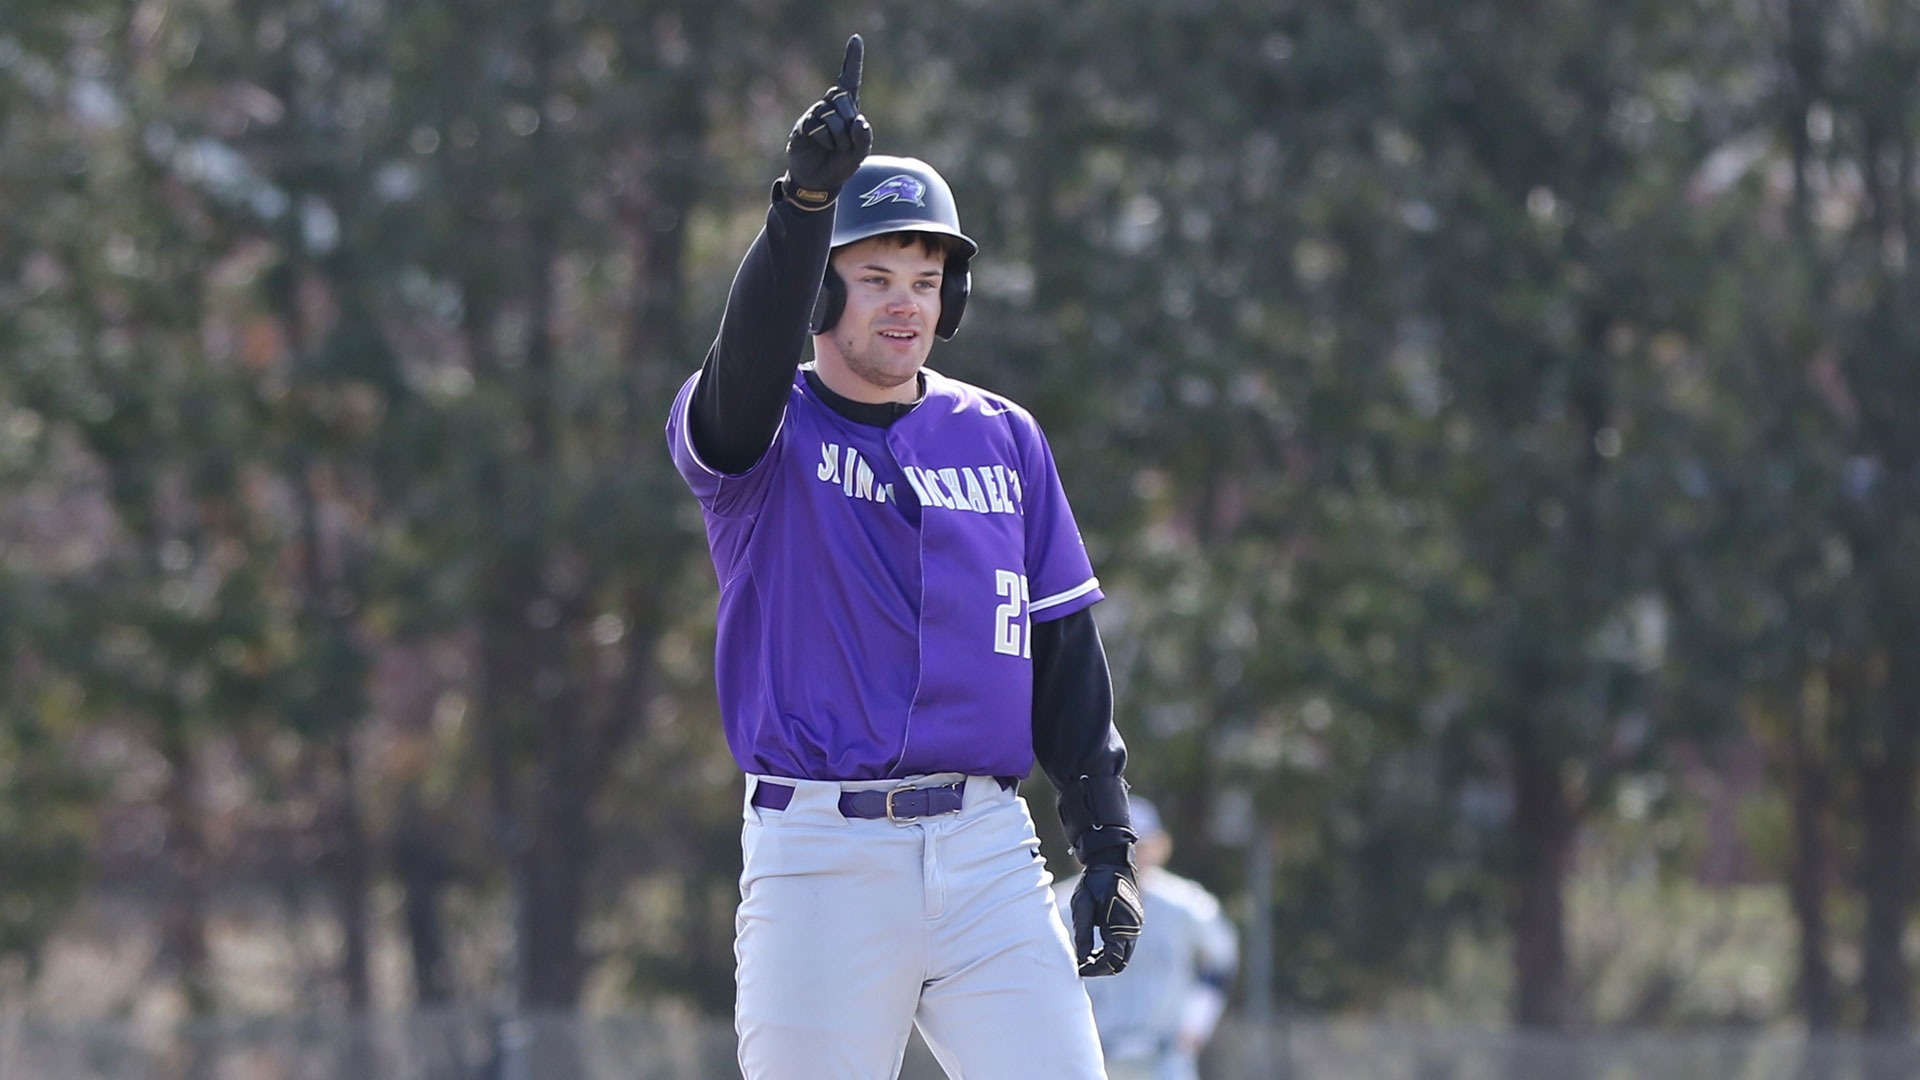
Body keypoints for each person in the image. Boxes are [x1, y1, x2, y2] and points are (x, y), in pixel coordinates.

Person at [664, 34, 1144, 1080]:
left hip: (988, 854)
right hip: (823, 858)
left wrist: (1105, 840)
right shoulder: (766, 434)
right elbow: (742, 364)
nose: (904, 303)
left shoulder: (1003, 436)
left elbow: (1063, 646)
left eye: (925, 281)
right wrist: (799, 215)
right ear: (821, 299)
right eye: (873, 275)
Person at [1057, 798, 1239, 1080]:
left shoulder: (1187, 906)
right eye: (1114, 848)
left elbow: (1220, 961)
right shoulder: (1061, 907)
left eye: (1137, 847)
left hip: (1163, 1057)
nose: (1128, 857)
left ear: (1160, 847)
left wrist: (1197, 1022)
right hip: (1091, 1055)